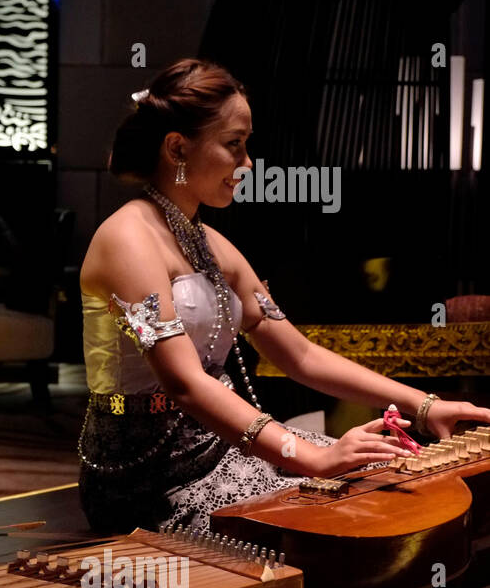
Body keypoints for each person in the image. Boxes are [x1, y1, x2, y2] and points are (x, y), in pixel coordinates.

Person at [77, 58, 490, 533]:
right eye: (234, 145)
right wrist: (311, 456)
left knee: (387, 482)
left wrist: (425, 406)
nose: (247, 163)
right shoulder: (128, 238)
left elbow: (300, 355)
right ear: (177, 148)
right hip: (147, 477)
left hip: (220, 445)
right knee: (345, 520)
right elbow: (185, 384)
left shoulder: (210, 245)